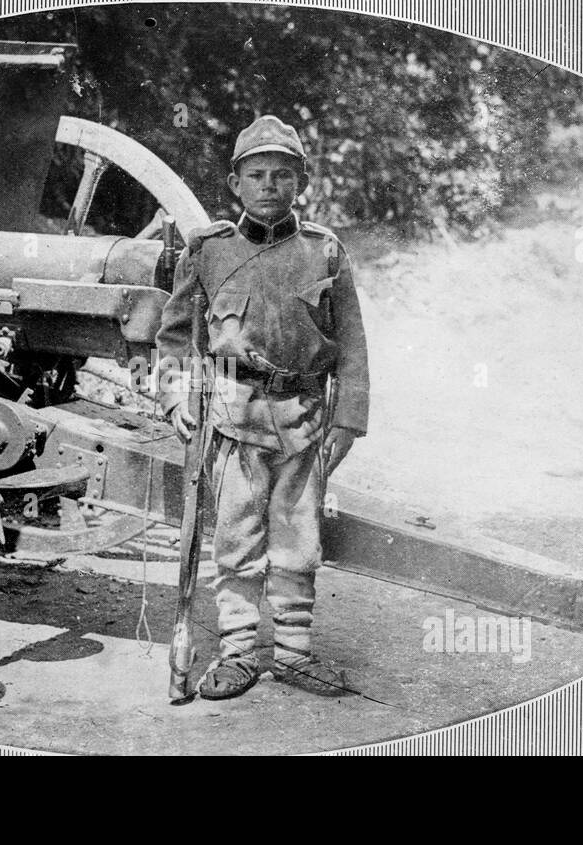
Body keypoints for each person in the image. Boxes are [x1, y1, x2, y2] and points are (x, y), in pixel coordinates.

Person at [154, 115, 370, 699]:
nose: (269, 185)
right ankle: (239, 653)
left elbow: (351, 343)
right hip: (234, 418)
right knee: (238, 540)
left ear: (300, 180)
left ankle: (296, 653)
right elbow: (175, 337)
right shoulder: (208, 252)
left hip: (304, 420)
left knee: (299, 540)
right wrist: (175, 395)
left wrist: (348, 419)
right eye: (257, 174)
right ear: (235, 184)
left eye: (282, 174)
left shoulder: (323, 252)